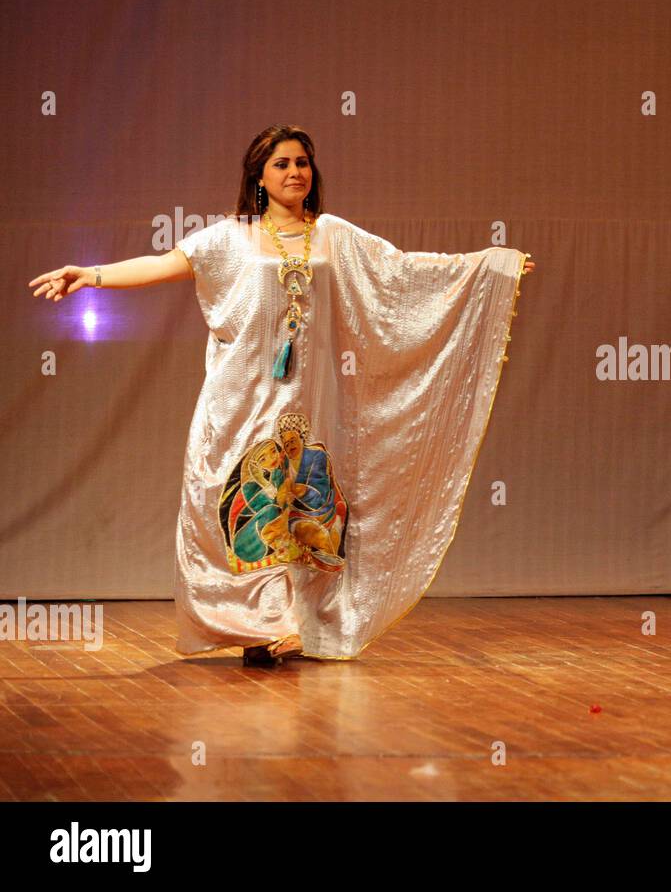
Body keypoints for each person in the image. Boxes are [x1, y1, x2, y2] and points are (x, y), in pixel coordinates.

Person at [29, 124, 536, 665]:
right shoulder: (229, 237)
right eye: (281, 164)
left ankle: (287, 623)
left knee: (301, 503)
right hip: (240, 394)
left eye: (302, 162)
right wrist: (93, 274)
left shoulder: (333, 235)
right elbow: (163, 265)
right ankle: (253, 623)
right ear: (259, 176)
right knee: (247, 499)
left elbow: (404, 272)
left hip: (307, 398)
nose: (295, 172)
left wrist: (490, 267)